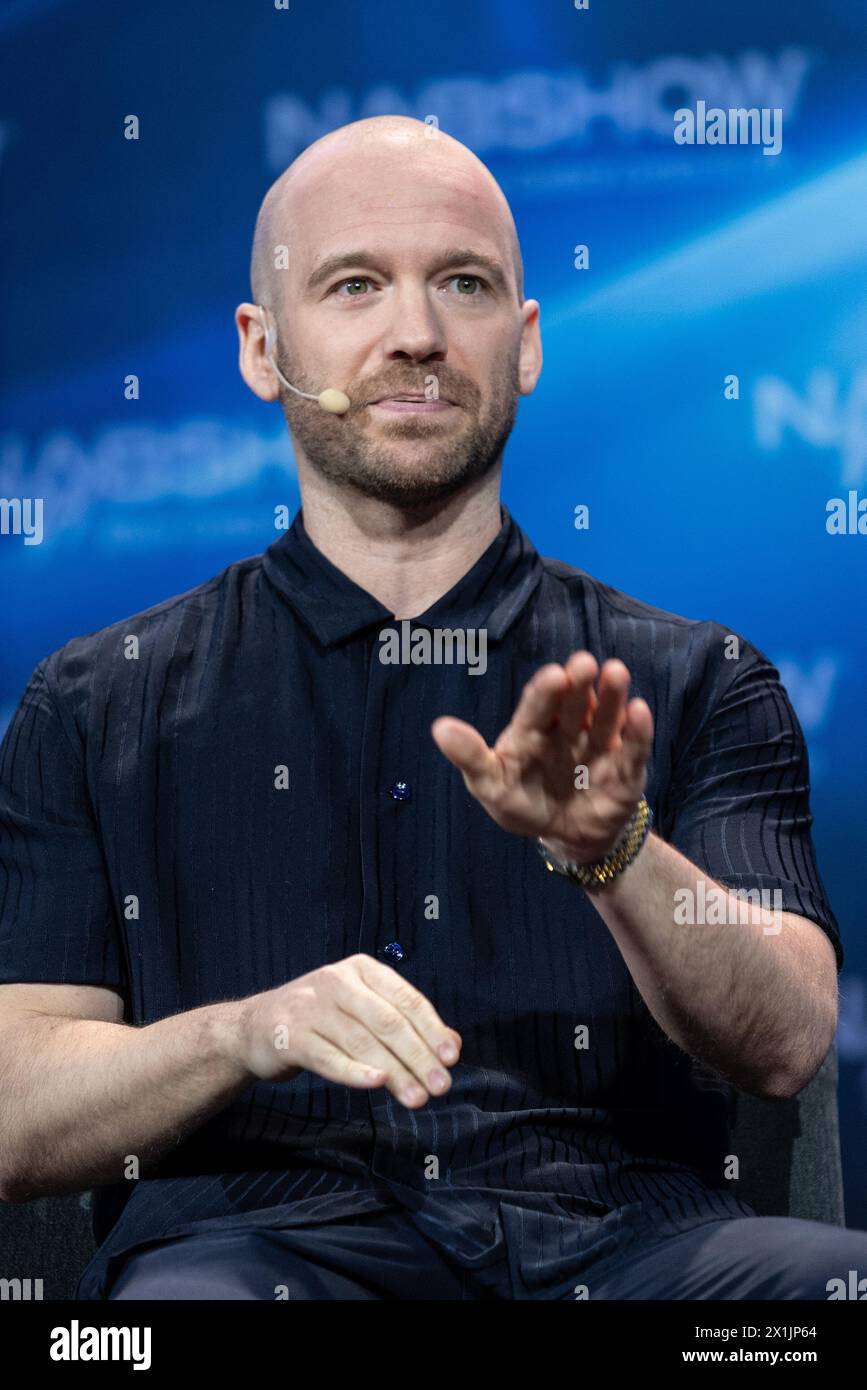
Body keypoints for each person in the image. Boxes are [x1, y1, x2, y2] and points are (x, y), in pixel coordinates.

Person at [0, 115, 864, 1302]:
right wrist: (244, 1033)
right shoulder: (97, 704)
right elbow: (12, 1115)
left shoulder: (703, 681)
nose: (416, 335)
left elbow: (788, 1040)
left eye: (462, 283)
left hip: (637, 1257)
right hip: (254, 1257)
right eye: (355, 285)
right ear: (262, 348)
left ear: (524, 344)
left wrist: (614, 854)